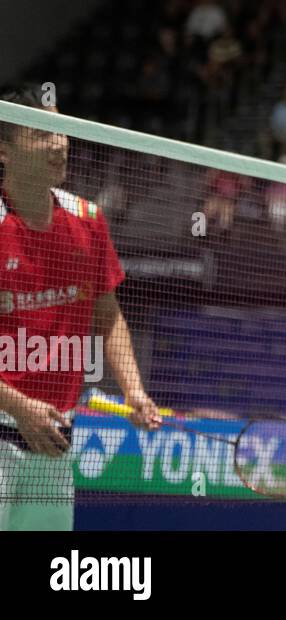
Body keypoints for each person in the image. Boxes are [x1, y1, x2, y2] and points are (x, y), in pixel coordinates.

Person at [0, 84, 161, 531]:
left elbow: (106, 317)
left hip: (53, 439)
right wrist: (17, 406)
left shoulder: (87, 219)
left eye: (61, 129)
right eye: (42, 133)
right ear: (4, 151)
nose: (59, 142)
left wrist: (133, 390)